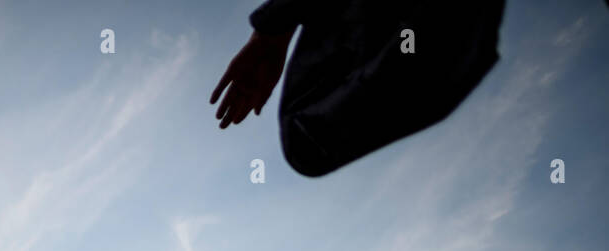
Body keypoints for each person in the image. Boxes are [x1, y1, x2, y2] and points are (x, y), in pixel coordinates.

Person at [211, 0, 505, 176]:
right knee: (302, 139)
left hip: (443, 42)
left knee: (301, 139)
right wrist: (273, 28)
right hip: (449, 42)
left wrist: (272, 28)